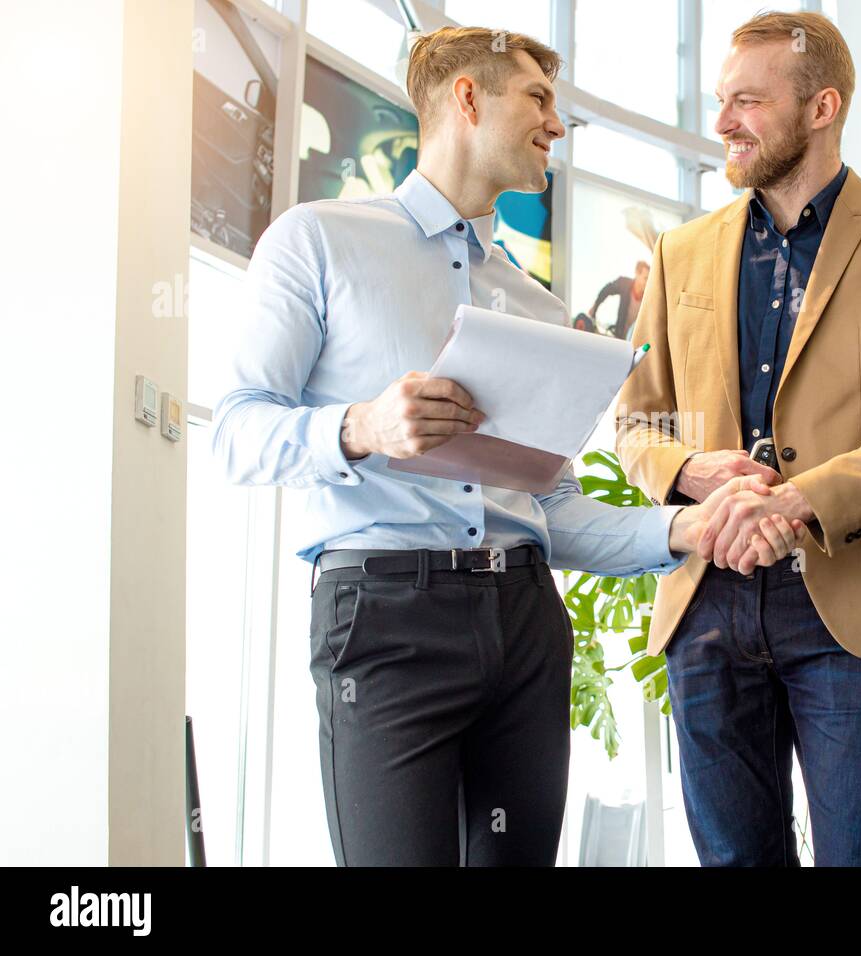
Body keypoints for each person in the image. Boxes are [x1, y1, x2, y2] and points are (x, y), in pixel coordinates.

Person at [212, 26, 803, 867]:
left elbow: (552, 507)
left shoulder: (535, 306)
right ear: (467, 98)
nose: (556, 125)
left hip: (525, 622)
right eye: (538, 100)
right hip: (385, 621)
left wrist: (686, 527)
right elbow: (235, 431)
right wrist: (361, 426)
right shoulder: (317, 240)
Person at [615, 10, 861, 866]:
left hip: (845, 601)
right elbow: (638, 421)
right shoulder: (681, 252)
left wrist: (803, 501)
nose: (722, 123)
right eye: (721, 100)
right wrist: (688, 470)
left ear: (822, 108)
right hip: (707, 598)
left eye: (747, 101)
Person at [590, 261, 650, 339]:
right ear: (637, 274)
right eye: (645, 278)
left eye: (649, 279)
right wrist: (594, 308)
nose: (647, 282)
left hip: (635, 340)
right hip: (619, 337)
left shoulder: (648, 297)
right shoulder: (624, 284)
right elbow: (605, 291)